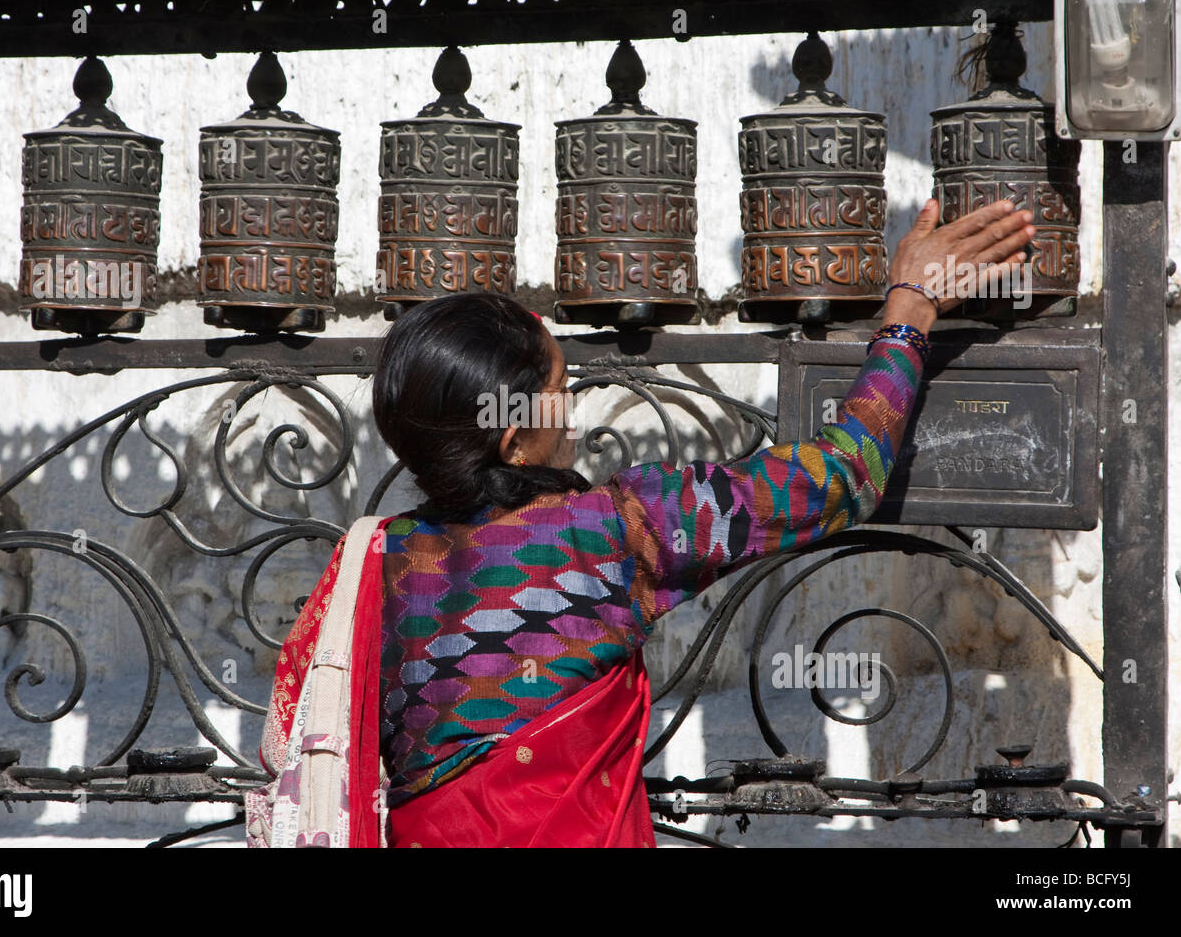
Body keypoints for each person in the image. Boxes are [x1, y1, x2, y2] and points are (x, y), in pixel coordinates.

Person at [255, 197, 1036, 847]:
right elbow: (847, 471)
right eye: (561, 387)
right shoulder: (618, 532)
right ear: (512, 431)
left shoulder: (372, 564)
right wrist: (909, 308)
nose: (574, 405)